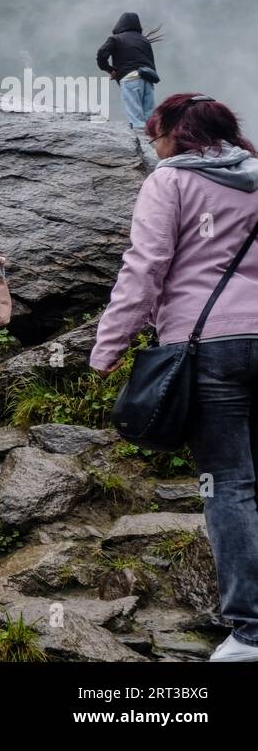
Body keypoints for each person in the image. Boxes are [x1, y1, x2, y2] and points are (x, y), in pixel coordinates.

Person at [90, 93, 258, 663]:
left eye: (154, 135)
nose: (152, 145)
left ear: (174, 136)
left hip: (209, 348)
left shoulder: (170, 181)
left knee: (227, 483)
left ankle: (250, 631)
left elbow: (145, 268)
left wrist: (108, 346)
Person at [96, 12, 163, 129]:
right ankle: (154, 142)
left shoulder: (115, 39)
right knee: (150, 117)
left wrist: (110, 70)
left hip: (130, 79)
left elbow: (101, 54)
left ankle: (141, 144)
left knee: (135, 117)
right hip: (148, 78)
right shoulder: (144, 40)